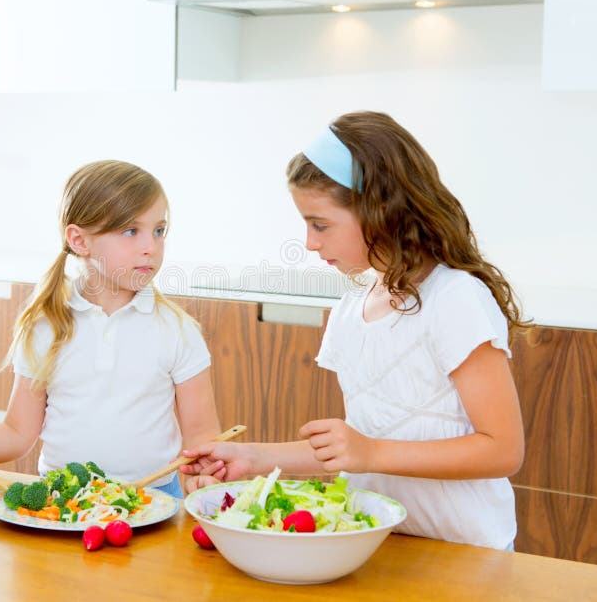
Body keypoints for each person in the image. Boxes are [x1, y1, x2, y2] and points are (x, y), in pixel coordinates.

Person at [182, 111, 527, 548]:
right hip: (380, 544)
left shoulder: (455, 298)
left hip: (468, 553)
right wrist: (251, 457)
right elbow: (354, 447)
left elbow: (502, 449)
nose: (309, 242)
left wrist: (373, 453)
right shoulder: (351, 309)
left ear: (379, 211)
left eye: (319, 224)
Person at [0, 160, 221, 498]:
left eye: (159, 231)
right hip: (61, 504)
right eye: (131, 231)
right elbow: (16, 433)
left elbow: (202, 435)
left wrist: (206, 475)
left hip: (156, 501)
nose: (151, 246)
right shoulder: (46, 325)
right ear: (80, 240)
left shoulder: (177, 329)